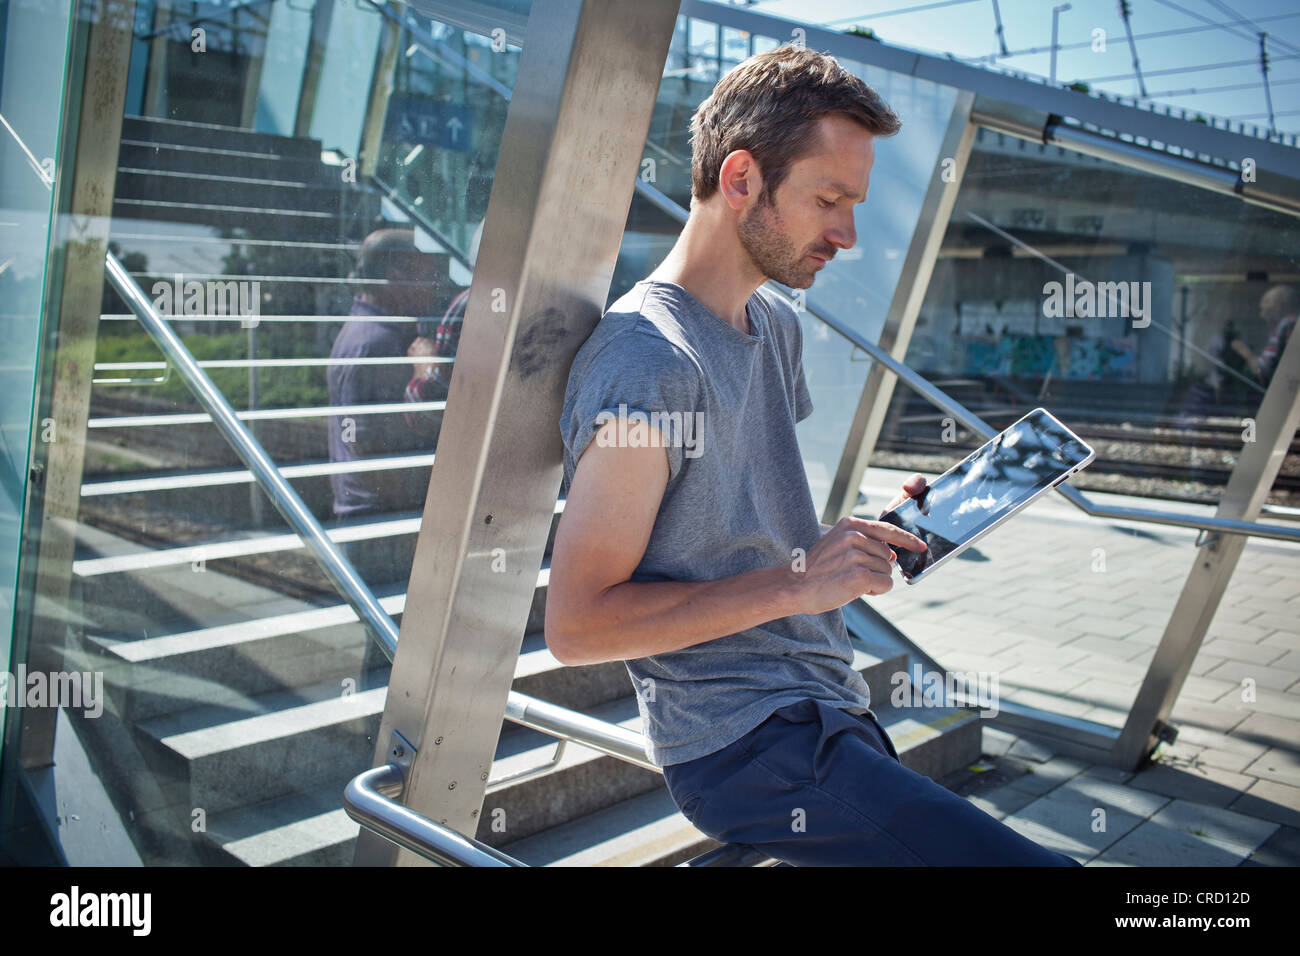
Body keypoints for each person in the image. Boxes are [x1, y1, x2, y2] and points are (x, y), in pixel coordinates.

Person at [548, 45, 1079, 866]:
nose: (849, 234)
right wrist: (802, 580)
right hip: (746, 747)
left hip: (830, 705)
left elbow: (734, 527)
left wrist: (862, 537)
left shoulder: (776, 326)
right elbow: (578, 625)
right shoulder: (646, 360)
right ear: (740, 180)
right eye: (830, 198)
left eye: (855, 203)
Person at [327, 228, 443, 585]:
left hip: (373, 518)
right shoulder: (376, 342)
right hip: (382, 521)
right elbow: (368, 446)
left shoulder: (368, 333)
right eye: (426, 274)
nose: (435, 284)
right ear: (396, 275)